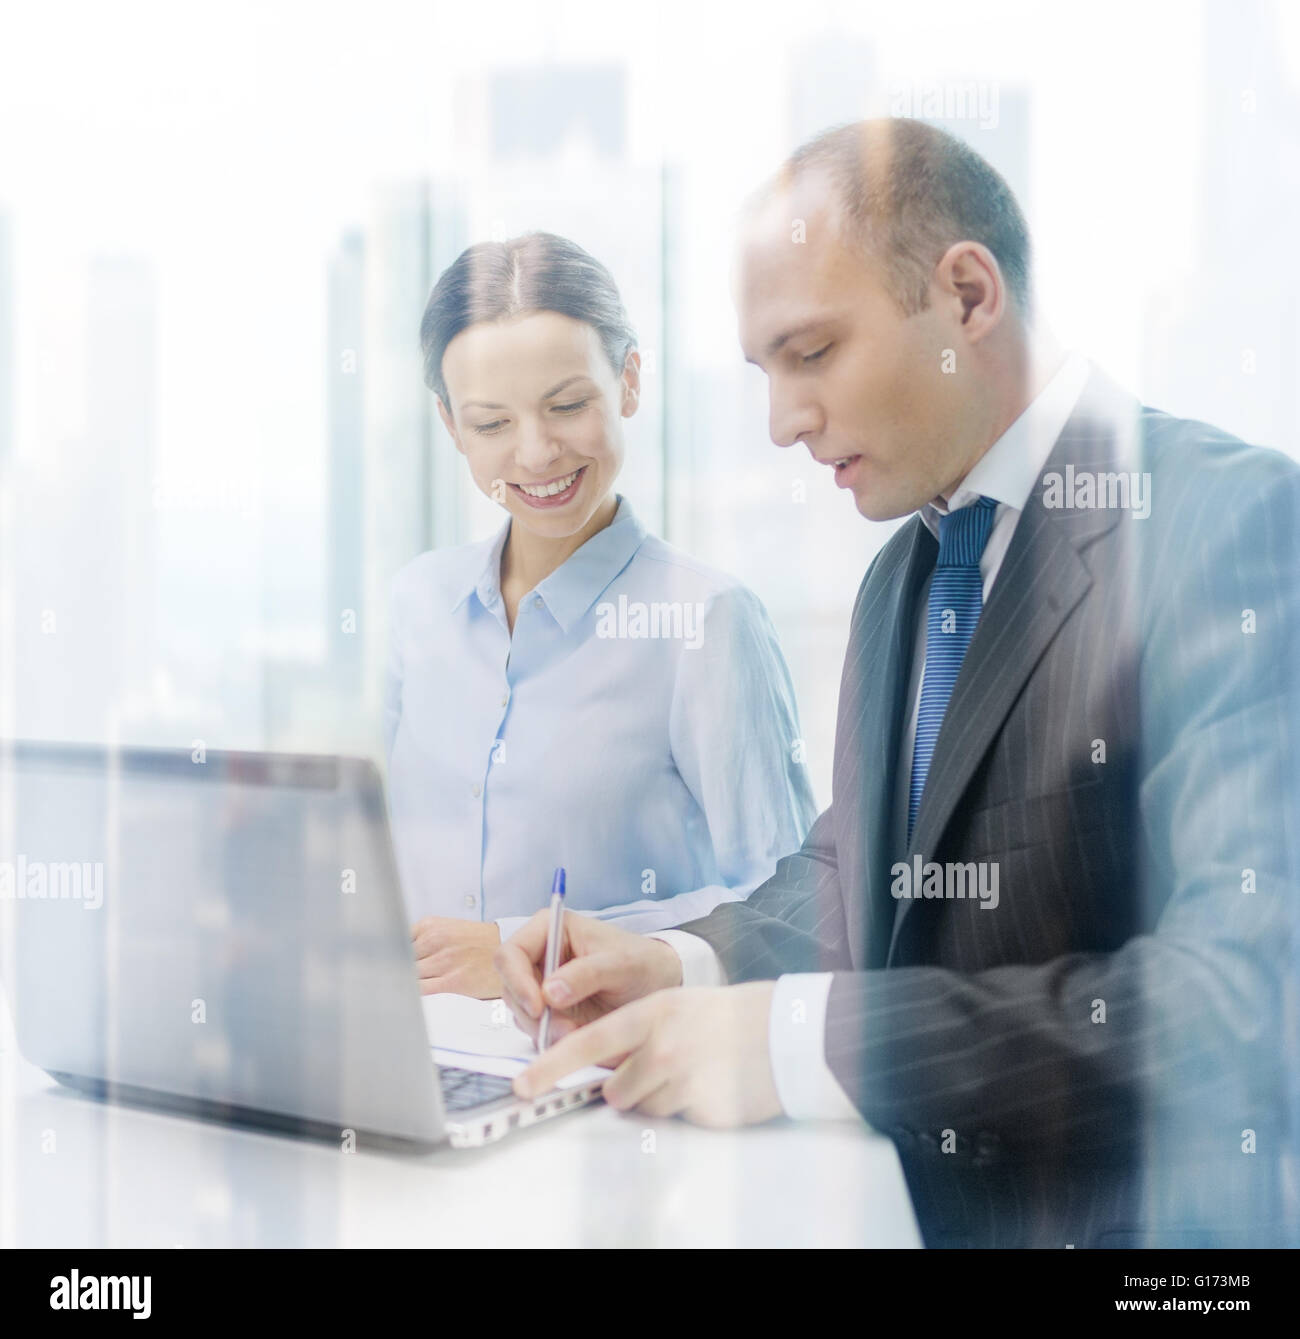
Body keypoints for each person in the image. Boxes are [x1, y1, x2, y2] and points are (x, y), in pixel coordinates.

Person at [496, 120, 1300, 1247]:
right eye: (763, 373)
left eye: (811, 353)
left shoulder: (1227, 524)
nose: (783, 422)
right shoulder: (903, 575)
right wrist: (683, 962)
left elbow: (1244, 1007)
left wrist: (798, 1043)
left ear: (967, 296)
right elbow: (868, 865)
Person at [385, 231, 817, 1000]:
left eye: (568, 405)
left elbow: (797, 907)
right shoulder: (418, 604)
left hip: (610, 1074)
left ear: (628, 382)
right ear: (451, 427)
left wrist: (531, 947)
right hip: (417, 1058)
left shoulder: (708, 623)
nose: (538, 452)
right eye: (491, 424)